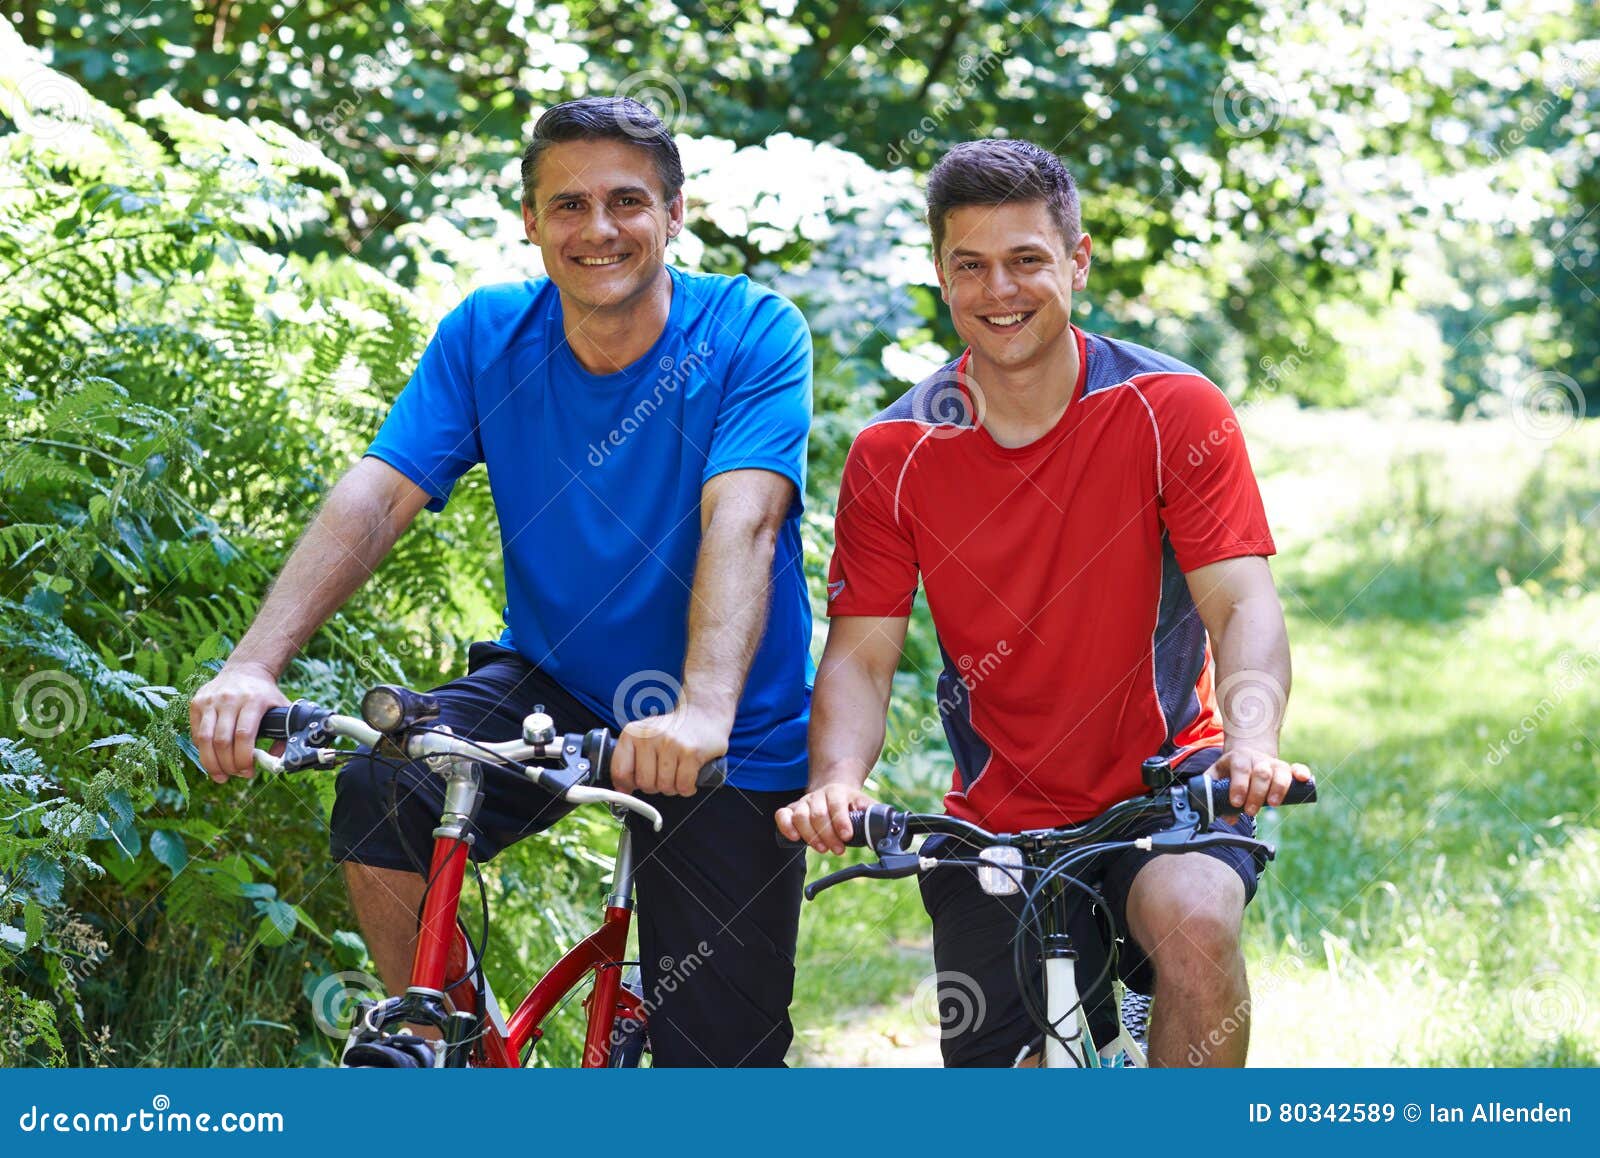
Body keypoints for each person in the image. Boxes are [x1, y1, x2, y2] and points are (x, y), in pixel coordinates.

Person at [190, 97, 812, 1067]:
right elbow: (378, 494)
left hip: (727, 727)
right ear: (529, 220)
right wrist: (252, 666)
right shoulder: (487, 336)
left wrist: (703, 713)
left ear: (675, 212)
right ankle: (455, 1047)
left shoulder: (750, 330)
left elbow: (746, 516)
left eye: (626, 202)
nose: (596, 229)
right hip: (556, 684)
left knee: (721, 1067)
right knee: (382, 786)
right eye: (567, 205)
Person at [777, 138, 1311, 1067]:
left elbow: (1241, 605)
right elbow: (863, 655)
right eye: (970, 266)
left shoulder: (1170, 408)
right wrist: (837, 781)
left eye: (1027, 259)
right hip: (990, 814)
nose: (1000, 290)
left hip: (1168, 789)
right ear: (940, 276)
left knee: (1191, 923)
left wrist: (1252, 743)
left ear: (1077, 259)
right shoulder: (893, 452)